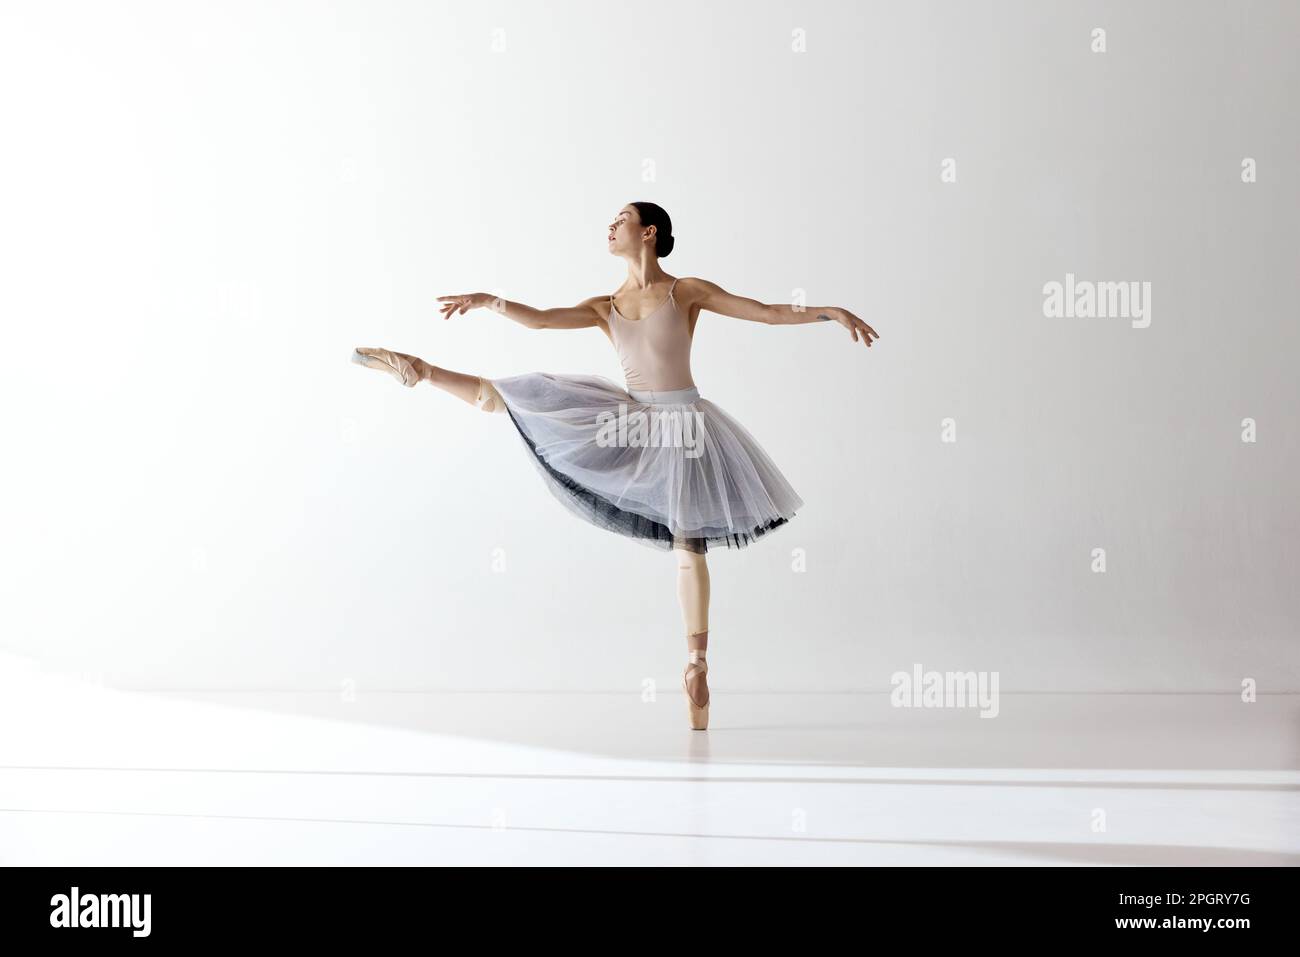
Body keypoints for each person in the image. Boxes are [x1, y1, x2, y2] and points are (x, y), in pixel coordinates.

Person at [352, 201, 879, 729]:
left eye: (621, 218)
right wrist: (489, 300)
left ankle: (696, 665)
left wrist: (828, 312)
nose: (610, 225)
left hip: (686, 426)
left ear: (648, 233)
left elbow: (763, 311)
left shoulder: (686, 291)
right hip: (632, 422)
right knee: (530, 395)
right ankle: (421, 370)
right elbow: (541, 320)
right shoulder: (605, 306)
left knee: (689, 546)